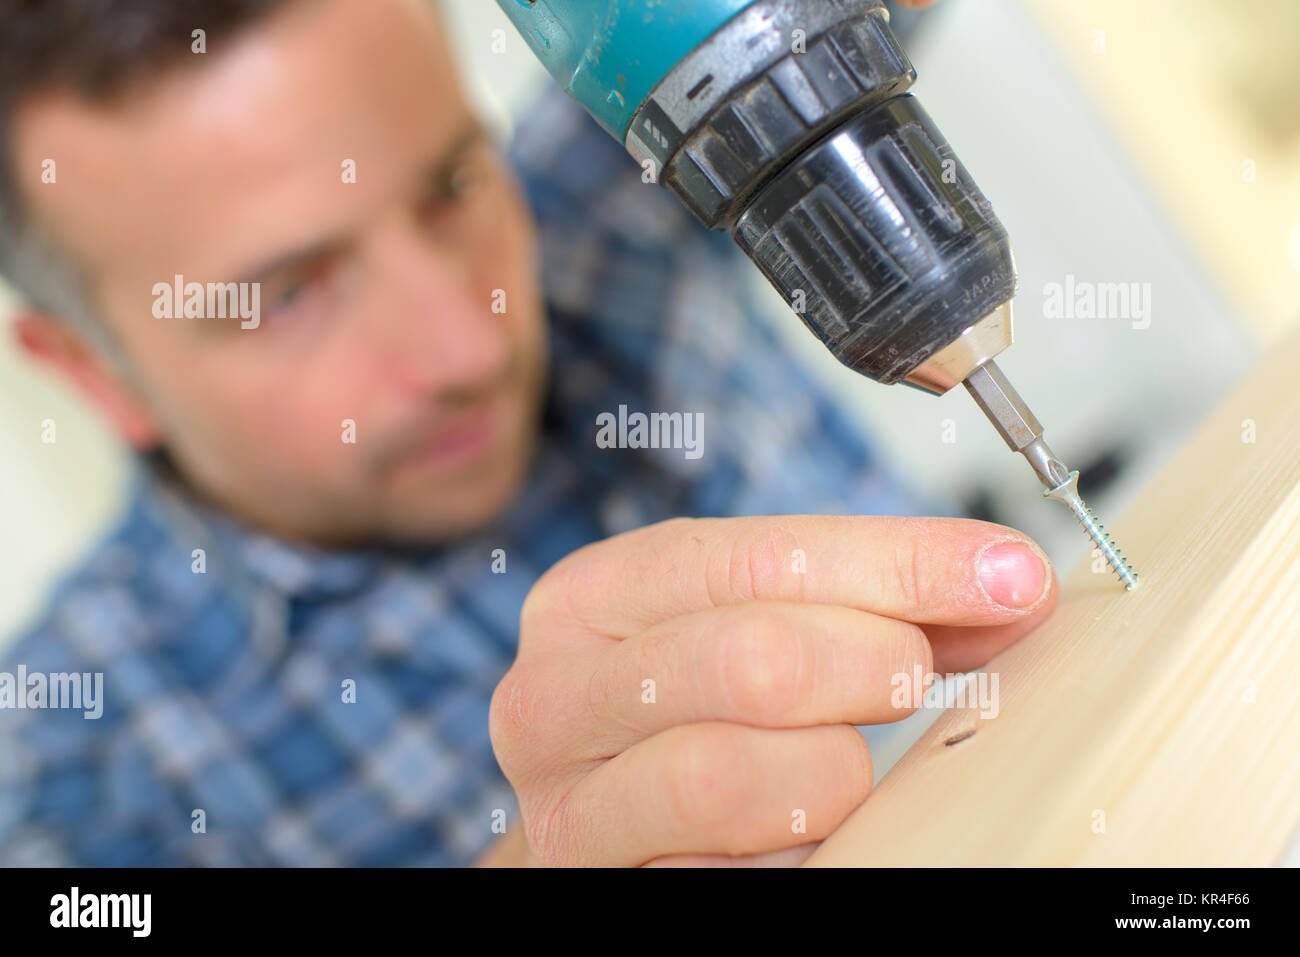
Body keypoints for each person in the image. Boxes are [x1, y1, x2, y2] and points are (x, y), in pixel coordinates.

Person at [0, 0, 1055, 866]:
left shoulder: (611, 210)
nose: (469, 345)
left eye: (453, 188)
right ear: (94, 373)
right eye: (285, 297)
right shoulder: (73, 772)